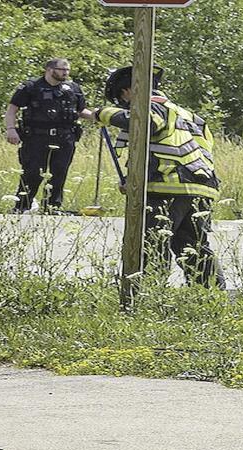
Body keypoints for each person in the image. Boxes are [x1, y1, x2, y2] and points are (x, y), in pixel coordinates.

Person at [81, 65, 224, 288]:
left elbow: (143, 122)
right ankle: (211, 297)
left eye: (121, 99)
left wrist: (101, 113)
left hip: (167, 189)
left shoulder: (153, 107)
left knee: (152, 246)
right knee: (194, 248)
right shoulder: (189, 115)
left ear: (128, 91)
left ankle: (146, 297)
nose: (124, 105)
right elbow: (172, 148)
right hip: (201, 189)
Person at [6, 58, 86, 213]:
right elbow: (12, 109)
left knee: (59, 173)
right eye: (62, 69)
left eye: (68, 70)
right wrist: (11, 129)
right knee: (33, 172)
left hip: (65, 138)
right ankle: (22, 206)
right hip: (37, 137)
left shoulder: (73, 88)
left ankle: (51, 208)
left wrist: (100, 116)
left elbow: (82, 111)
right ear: (49, 69)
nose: (66, 73)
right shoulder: (31, 87)